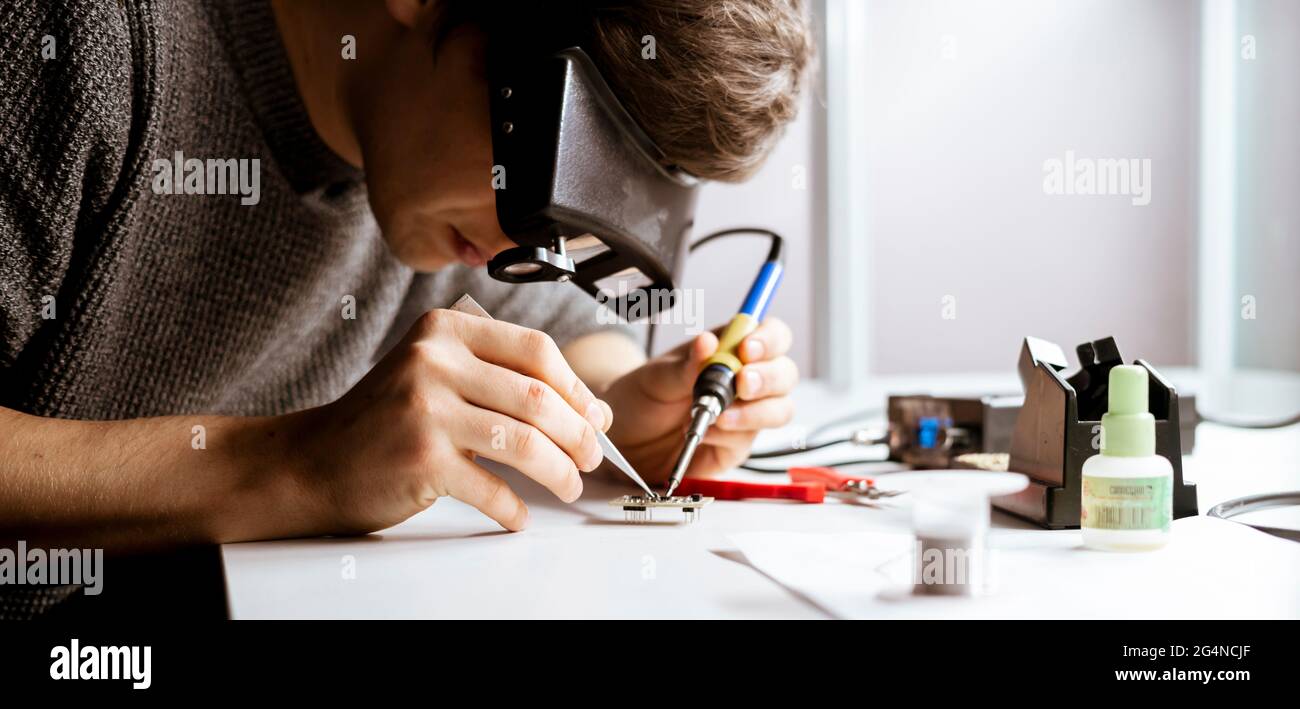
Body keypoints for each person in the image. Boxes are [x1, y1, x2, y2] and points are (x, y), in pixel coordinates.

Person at [0, 0, 813, 553]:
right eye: (549, 186)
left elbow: (560, 327)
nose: (527, 248)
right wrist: (293, 467)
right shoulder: (83, 42)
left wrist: (626, 408)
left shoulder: (428, 166)